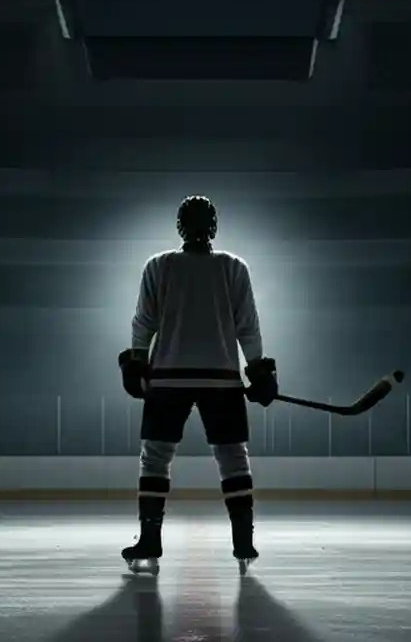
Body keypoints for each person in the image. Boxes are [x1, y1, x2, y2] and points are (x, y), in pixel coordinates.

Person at [117, 195, 278, 574]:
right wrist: (257, 369)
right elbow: (247, 325)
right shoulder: (233, 267)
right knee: (232, 456)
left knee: (155, 455)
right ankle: (243, 541)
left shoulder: (159, 265)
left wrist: (138, 360)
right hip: (221, 376)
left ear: (179, 226)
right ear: (215, 226)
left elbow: (144, 322)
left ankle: (150, 538)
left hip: (168, 377)